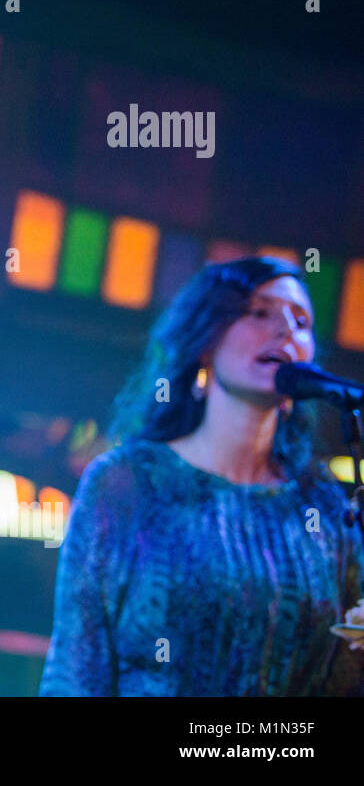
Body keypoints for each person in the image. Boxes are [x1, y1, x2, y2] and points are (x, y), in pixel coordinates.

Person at [39, 256, 364, 695]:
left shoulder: (324, 508)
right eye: (260, 312)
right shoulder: (128, 484)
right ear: (206, 341)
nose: (286, 328)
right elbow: (76, 671)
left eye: (300, 319)